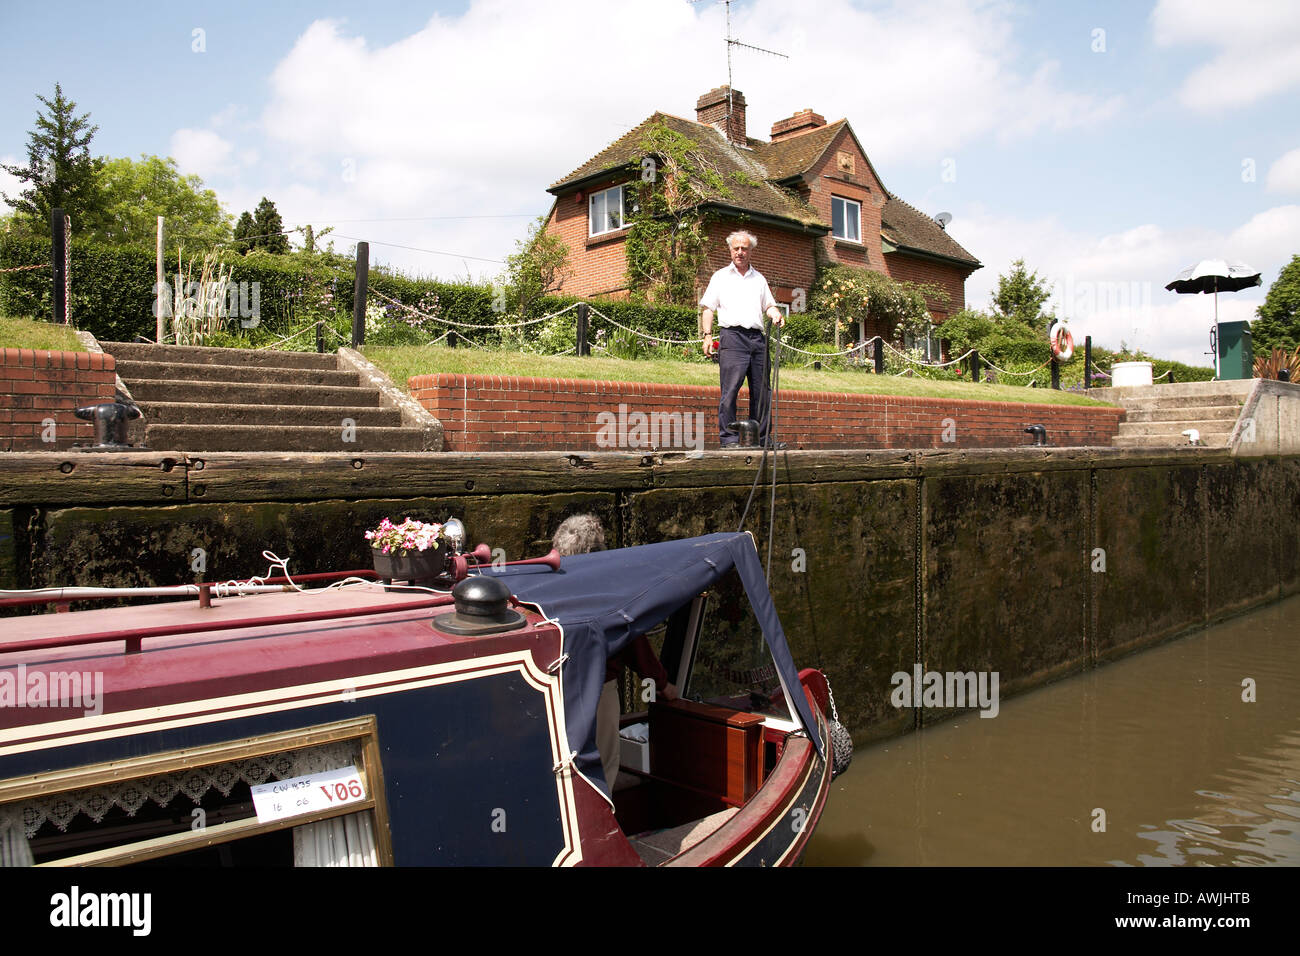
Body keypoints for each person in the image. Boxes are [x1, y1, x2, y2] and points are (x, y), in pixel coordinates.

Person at [551, 515, 678, 795]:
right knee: (605, 761)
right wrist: (663, 684)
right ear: (593, 552)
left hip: (556, 689)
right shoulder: (603, 592)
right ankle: (601, 828)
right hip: (599, 687)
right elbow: (633, 643)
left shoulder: (548, 587)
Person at [700, 230, 786, 447]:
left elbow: (768, 305)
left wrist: (775, 313)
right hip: (732, 338)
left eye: (744, 248)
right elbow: (708, 308)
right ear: (730, 250)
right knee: (730, 391)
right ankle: (729, 439)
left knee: (762, 392)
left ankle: (763, 439)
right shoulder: (720, 276)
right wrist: (707, 336)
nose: (740, 252)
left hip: (757, 340)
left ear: (751, 251)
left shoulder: (759, 279)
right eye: (736, 248)